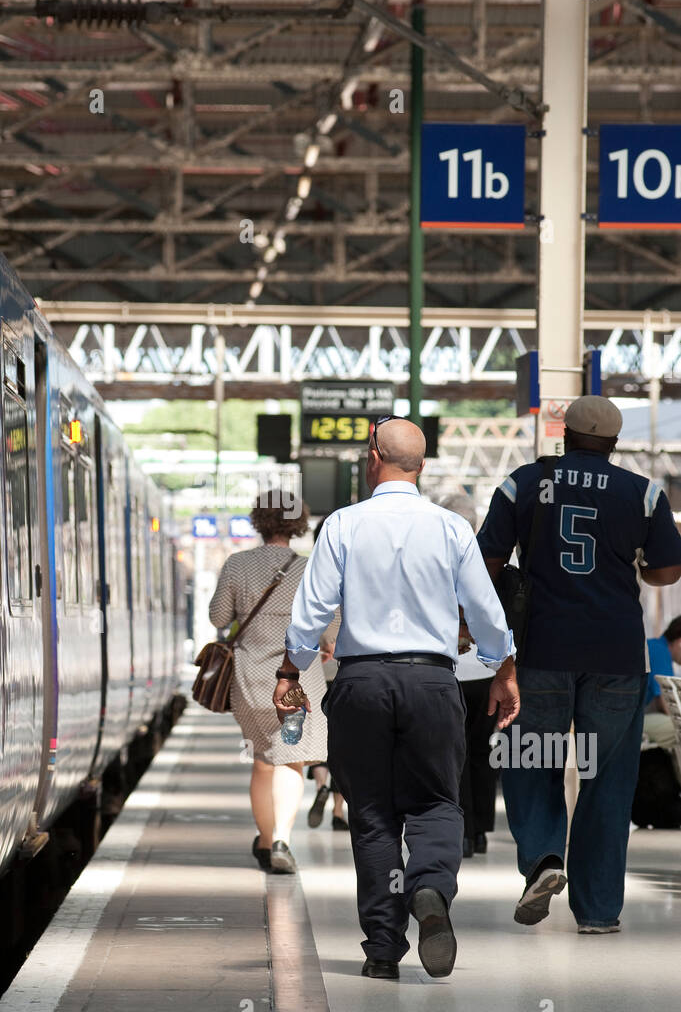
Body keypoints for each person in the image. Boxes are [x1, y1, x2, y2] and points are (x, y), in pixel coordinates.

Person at [274, 419, 518, 981]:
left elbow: (310, 613)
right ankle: (430, 890)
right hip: (433, 682)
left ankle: (383, 948)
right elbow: (486, 612)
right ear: (422, 467)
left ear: (372, 458)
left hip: (361, 684)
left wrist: (291, 671)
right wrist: (503, 668)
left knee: (374, 815)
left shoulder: (343, 525)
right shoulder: (452, 530)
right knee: (436, 802)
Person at [478, 395, 681, 935]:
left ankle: (545, 858)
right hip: (616, 655)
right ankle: (596, 911)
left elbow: (486, 562)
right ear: (614, 444)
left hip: (540, 650)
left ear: (562, 435)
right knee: (608, 779)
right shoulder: (643, 492)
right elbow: (665, 573)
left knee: (529, 758)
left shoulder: (522, 483)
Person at [209, 492, 333, 875]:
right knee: (291, 759)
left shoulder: (237, 564)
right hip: (296, 678)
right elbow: (331, 621)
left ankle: (264, 844)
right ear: (298, 524)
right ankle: (280, 838)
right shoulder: (310, 568)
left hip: (248, 680)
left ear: (258, 522)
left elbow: (218, 617)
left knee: (262, 761)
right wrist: (326, 642)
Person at [439, 493, 498, 858]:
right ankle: (481, 832)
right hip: (487, 672)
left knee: (453, 753)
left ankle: (462, 830)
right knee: (481, 750)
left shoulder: (434, 560)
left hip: (451, 672)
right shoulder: (489, 560)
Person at [305, 517, 348, 832]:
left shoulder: (308, 573)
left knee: (321, 736)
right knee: (347, 743)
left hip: (316, 669)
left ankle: (320, 785)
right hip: (349, 669)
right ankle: (337, 810)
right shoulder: (356, 569)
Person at [643, 616, 681, 767]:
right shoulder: (660, 652)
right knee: (677, 730)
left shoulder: (656, 647)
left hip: (624, 718)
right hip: (630, 723)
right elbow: (665, 706)